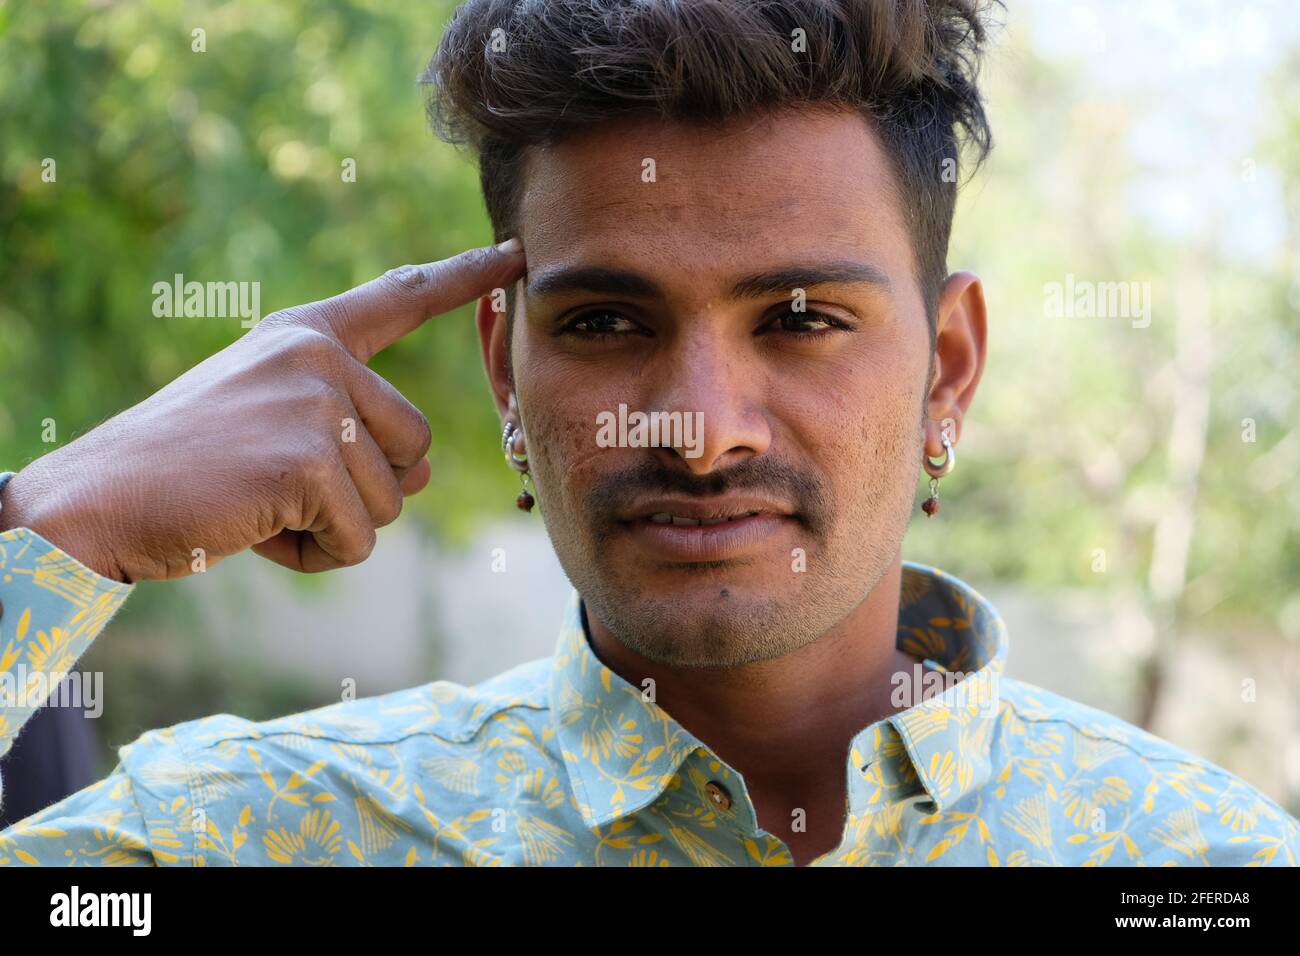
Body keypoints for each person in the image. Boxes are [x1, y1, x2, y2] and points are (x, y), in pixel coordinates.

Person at [0, 0, 1295, 867]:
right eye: (611, 322)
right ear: (506, 370)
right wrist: (52, 530)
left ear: (947, 371)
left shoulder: (1203, 866)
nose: (701, 429)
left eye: (799, 319)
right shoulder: (242, 838)